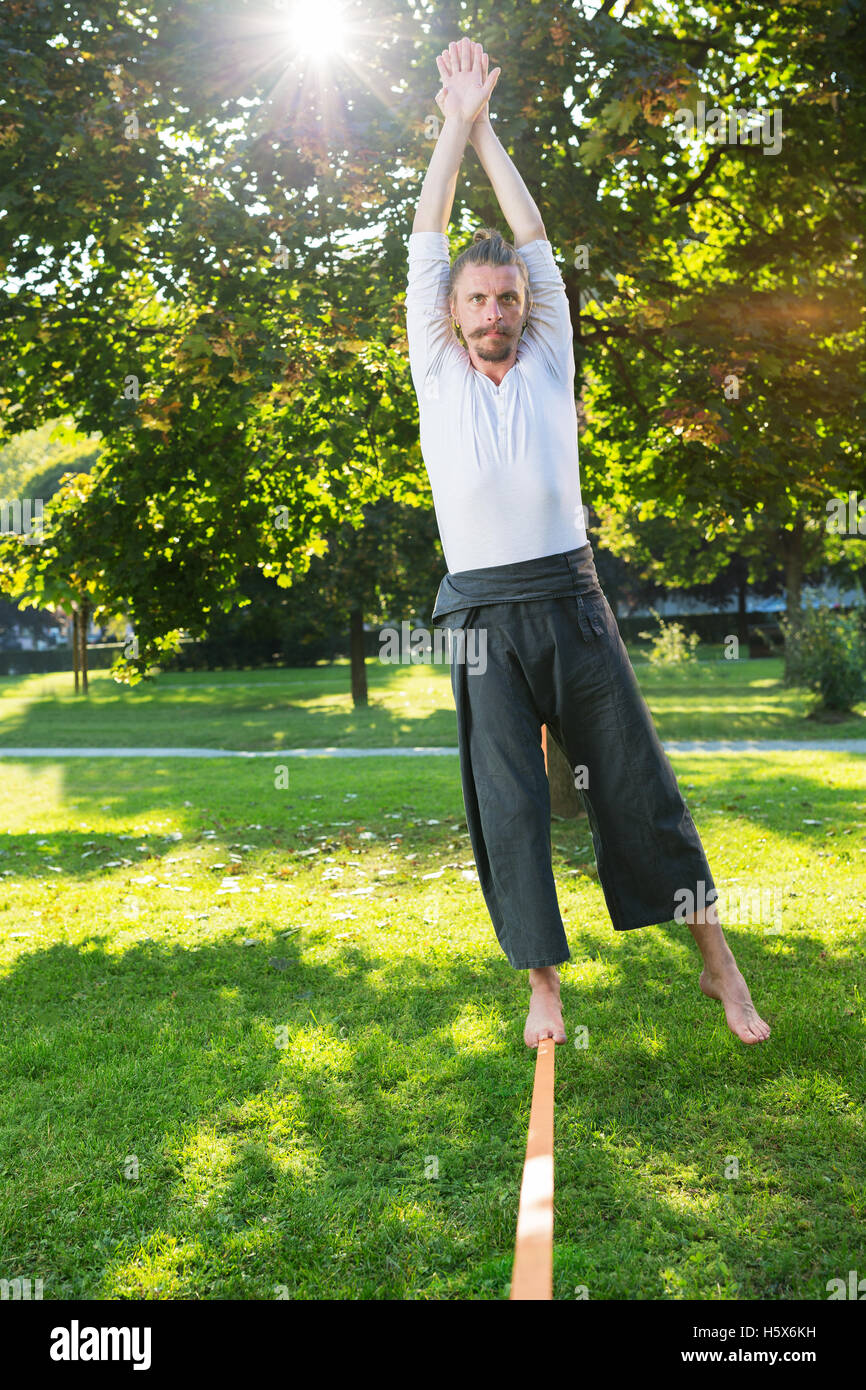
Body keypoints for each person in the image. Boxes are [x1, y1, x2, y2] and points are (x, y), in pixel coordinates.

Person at [405, 37, 770, 1050]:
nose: (493, 309)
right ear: (449, 313)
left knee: (634, 782)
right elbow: (426, 231)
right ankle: (543, 985)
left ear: (526, 305)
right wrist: (452, 125)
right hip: (479, 614)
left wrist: (488, 134)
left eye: (506, 296)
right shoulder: (434, 365)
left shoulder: (546, 347)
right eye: (476, 299)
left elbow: (528, 229)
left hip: (568, 599)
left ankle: (716, 963)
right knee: (508, 806)